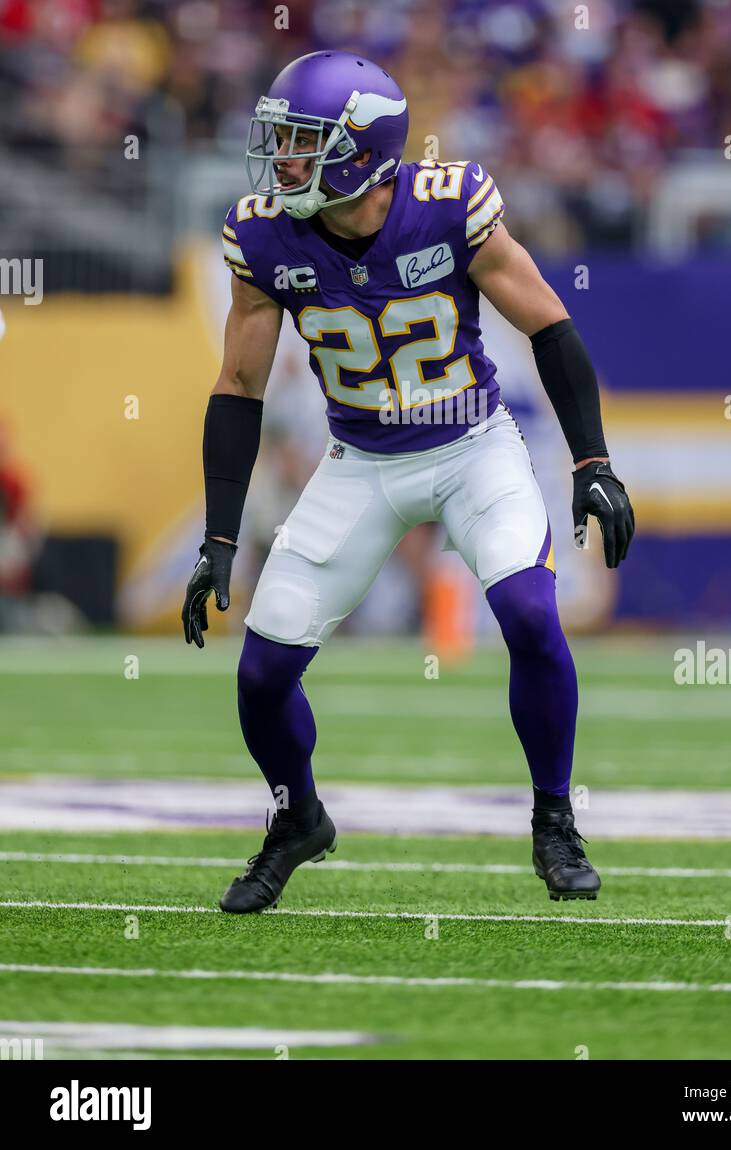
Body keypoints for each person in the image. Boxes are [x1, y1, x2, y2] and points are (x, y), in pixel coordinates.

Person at [182, 50, 634, 912]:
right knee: (261, 674)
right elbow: (237, 386)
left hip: (472, 446)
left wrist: (593, 463)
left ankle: (552, 817)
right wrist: (220, 537)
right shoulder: (264, 234)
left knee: (530, 615)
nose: (280, 160)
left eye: (300, 141)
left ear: (359, 151)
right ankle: (297, 818)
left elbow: (548, 323)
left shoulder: (447, 206)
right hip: (359, 463)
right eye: (279, 140)